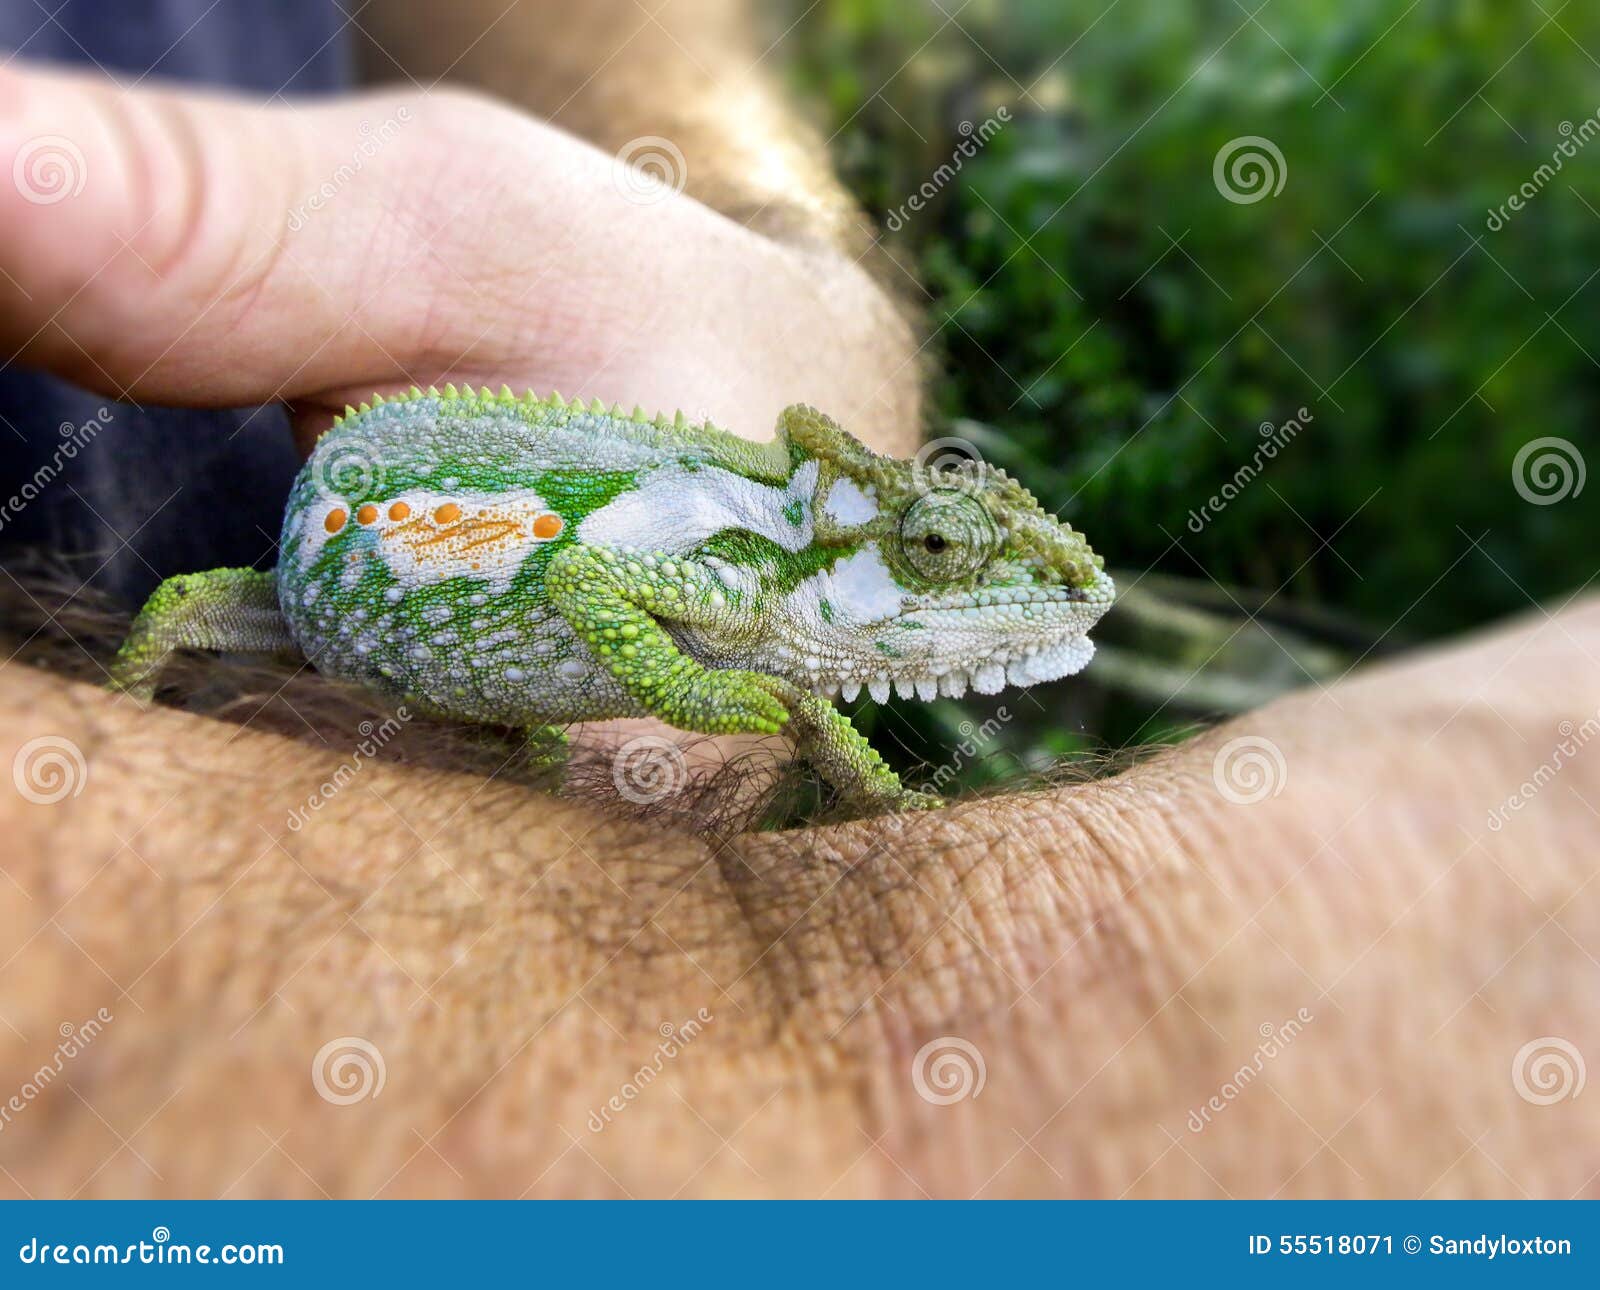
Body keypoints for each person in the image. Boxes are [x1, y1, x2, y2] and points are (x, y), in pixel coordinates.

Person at [0, 1, 1594, 1198]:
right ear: (849, 542)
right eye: (931, 560)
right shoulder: (734, 572)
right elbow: (604, 582)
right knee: (197, 618)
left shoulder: (782, 572)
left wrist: (757, 253)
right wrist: (852, 1012)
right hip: (344, 549)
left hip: (449, 625)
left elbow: (762, 648)